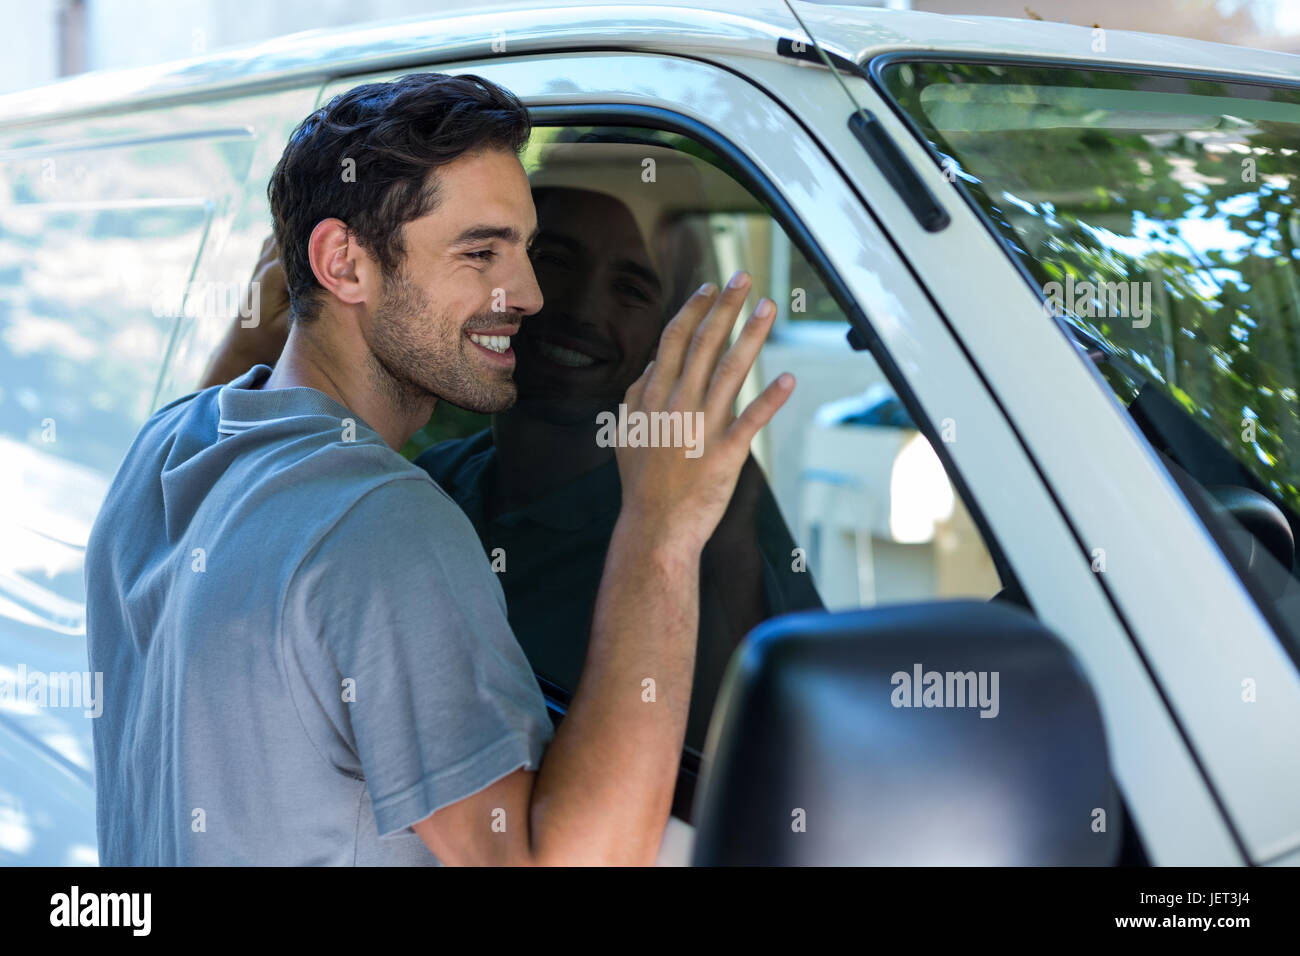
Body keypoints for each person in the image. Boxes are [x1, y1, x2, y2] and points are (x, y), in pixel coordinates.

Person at [85, 72, 794, 865]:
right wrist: (661, 530)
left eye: (524, 249)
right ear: (343, 266)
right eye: (481, 251)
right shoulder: (386, 527)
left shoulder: (166, 447)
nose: (528, 294)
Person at [205, 182, 824, 756]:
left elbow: (772, 751)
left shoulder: (712, 513)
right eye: (554, 259)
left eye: (632, 288)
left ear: (670, 333)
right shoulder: (424, 487)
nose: (580, 309)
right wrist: (255, 348)